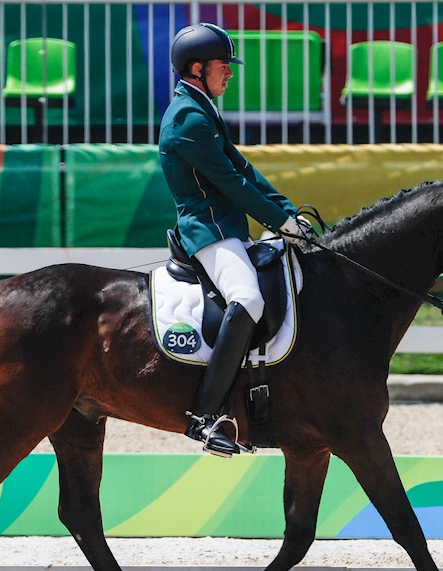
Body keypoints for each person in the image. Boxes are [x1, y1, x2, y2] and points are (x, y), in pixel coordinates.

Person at [159, 22, 308, 457]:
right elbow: (229, 184)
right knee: (250, 299)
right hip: (208, 230)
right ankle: (205, 418)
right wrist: (279, 222)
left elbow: (244, 170)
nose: (230, 73)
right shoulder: (187, 117)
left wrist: (287, 209)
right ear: (198, 68)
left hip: (227, 227)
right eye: (225, 66)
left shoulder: (202, 107)